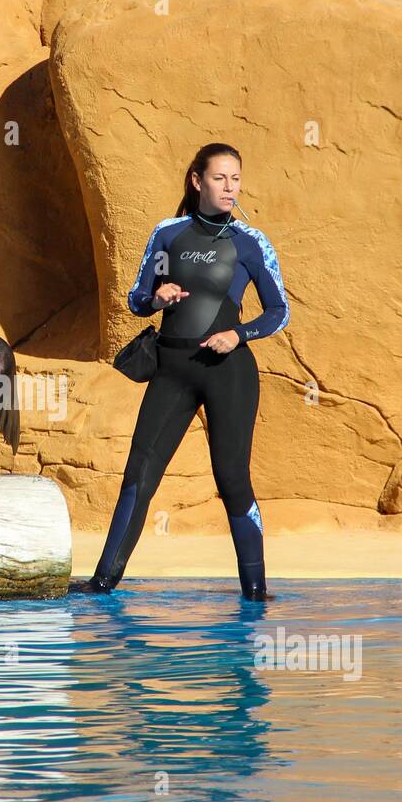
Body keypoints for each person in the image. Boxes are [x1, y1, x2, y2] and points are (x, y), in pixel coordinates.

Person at [86, 142, 290, 600]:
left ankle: (255, 592)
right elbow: (137, 299)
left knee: (232, 479)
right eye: (220, 178)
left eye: (236, 178)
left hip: (228, 370)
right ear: (197, 181)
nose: (230, 187)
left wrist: (239, 335)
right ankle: (101, 584)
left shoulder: (250, 242)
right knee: (139, 473)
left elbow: (279, 311)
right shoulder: (168, 233)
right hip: (172, 370)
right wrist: (156, 300)